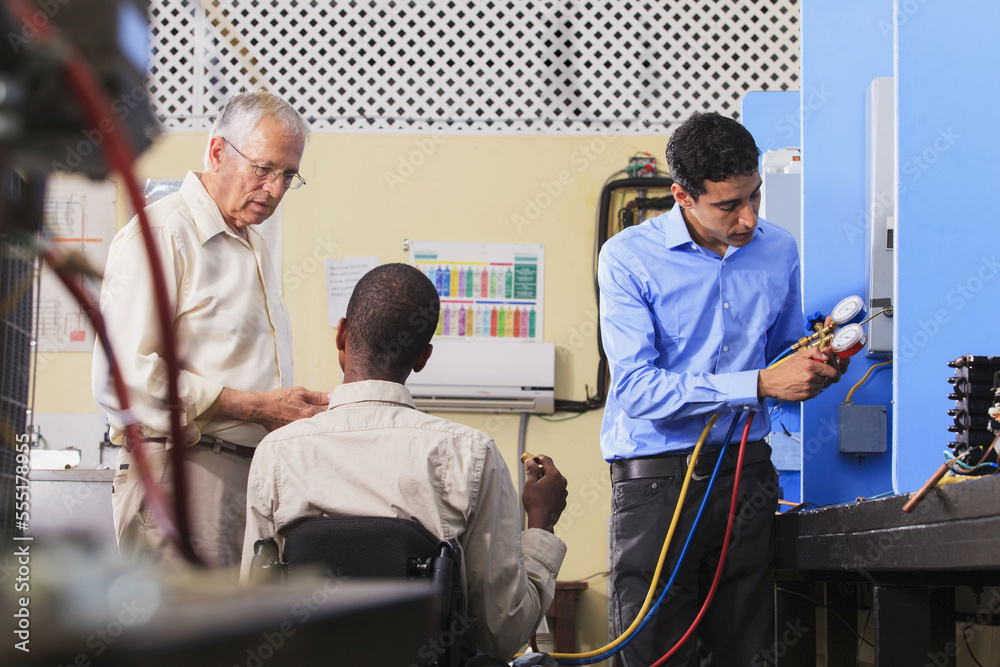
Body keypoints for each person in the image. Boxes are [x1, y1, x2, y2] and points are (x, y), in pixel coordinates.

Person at [598, 112, 848, 665]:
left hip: (745, 475)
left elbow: (783, 357)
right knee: (654, 653)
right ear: (681, 196)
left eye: (755, 196)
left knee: (746, 650)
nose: (748, 218)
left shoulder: (778, 250)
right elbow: (638, 390)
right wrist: (759, 382)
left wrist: (815, 368)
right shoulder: (627, 258)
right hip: (656, 483)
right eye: (729, 205)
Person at [240, 263, 568, 662]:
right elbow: (501, 634)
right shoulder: (473, 454)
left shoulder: (277, 452)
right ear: (423, 358)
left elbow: (253, 614)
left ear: (341, 335)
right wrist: (541, 523)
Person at [93, 90, 329, 571]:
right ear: (218, 152)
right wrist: (257, 406)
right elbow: (122, 376)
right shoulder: (163, 234)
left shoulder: (252, 245)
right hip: (182, 473)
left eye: (288, 175)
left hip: (245, 477)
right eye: (263, 168)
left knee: (227, 641)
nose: (276, 188)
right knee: (180, 639)